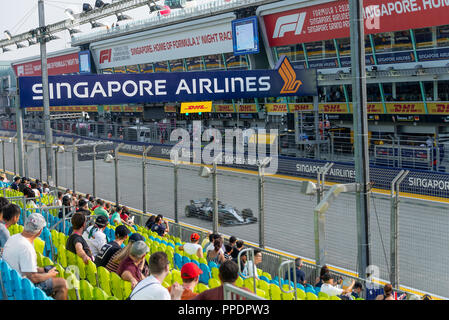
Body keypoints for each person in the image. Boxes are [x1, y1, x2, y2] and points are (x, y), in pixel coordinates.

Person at [2, 213, 68, 300]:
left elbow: (23, 266)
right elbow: (32, 278)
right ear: (40, 231)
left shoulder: (13, 238)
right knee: (62, 283)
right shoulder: (27, 248)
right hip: (22, 289)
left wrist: (43, 270)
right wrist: (49, 274)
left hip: (10, 282)